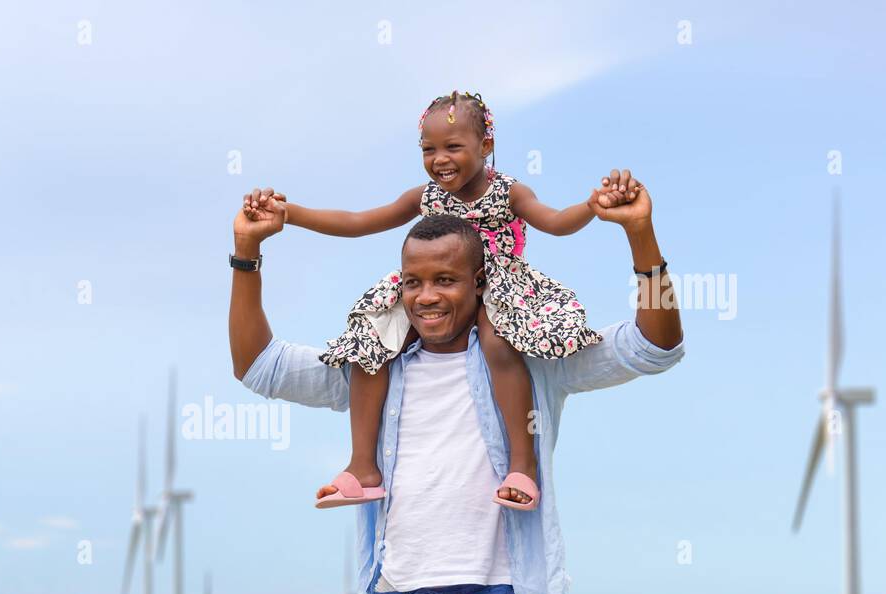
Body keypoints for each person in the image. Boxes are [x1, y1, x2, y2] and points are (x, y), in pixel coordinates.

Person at [226, 175, 683, 594]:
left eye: (446, 282)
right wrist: (246, 257)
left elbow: (655, 345)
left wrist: (641, 236)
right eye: (414, 283)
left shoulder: (529, 359)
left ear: (480, 285)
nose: (428, 297)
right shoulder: (370, 366)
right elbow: (258, 365)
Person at [244, 91, 632, 511]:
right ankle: (362, 467)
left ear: (486, 146)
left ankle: (522, 465)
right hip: (435, 285)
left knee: (498, 344)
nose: (440, 159)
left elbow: (556, 223)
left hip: (494, 287)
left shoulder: (509, 192)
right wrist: (291, 213)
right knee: (371, 343)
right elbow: (358, 223)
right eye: (429, 150)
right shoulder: (423, 197)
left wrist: (593, 207)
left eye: (453, 147)